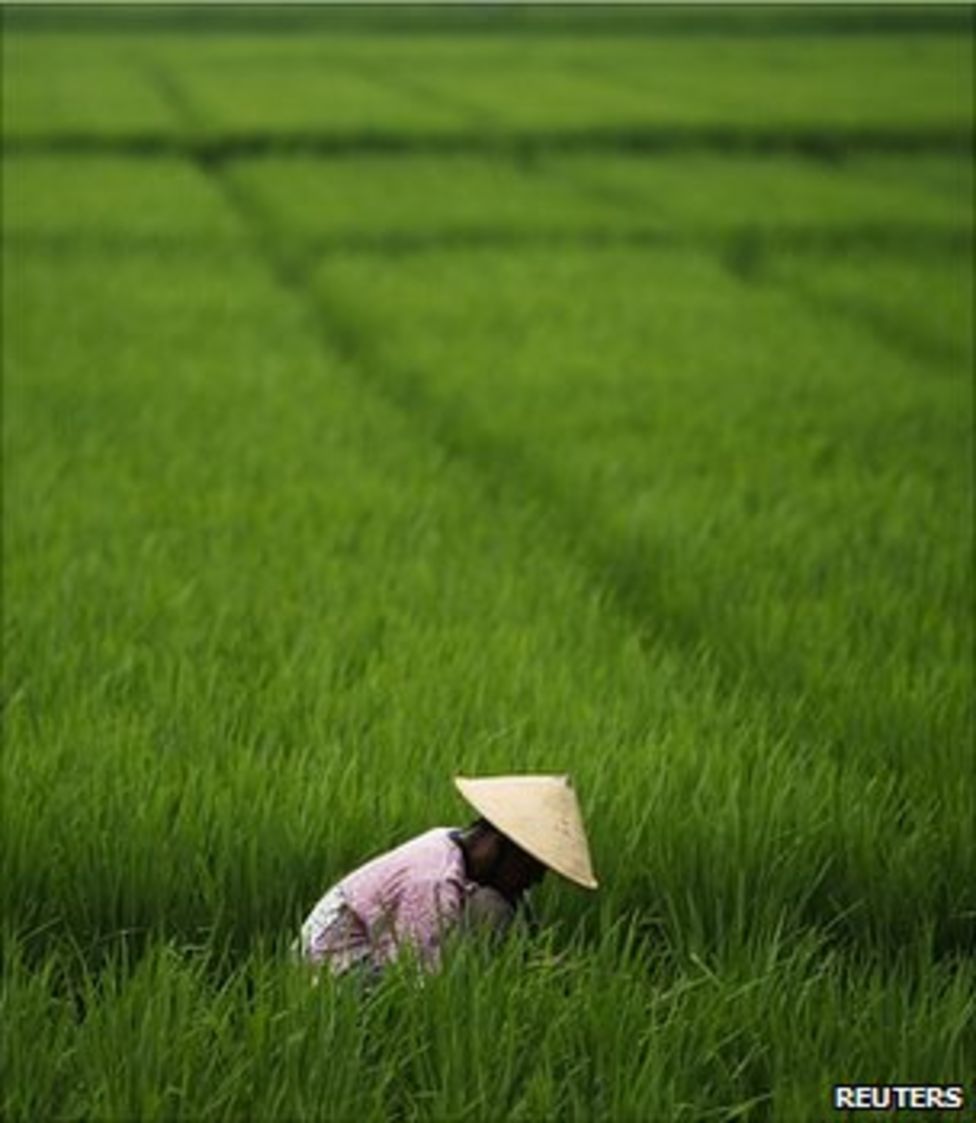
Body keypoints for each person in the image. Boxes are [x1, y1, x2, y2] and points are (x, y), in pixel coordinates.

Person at [295, 773, 598, 980]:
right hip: (330, 977)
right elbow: (415, 982)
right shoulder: (433, 882)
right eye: (532, 868)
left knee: (491, 909)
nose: (535, 880)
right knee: (488, 912)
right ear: (501, 846)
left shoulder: (451, 842)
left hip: (370, 957)